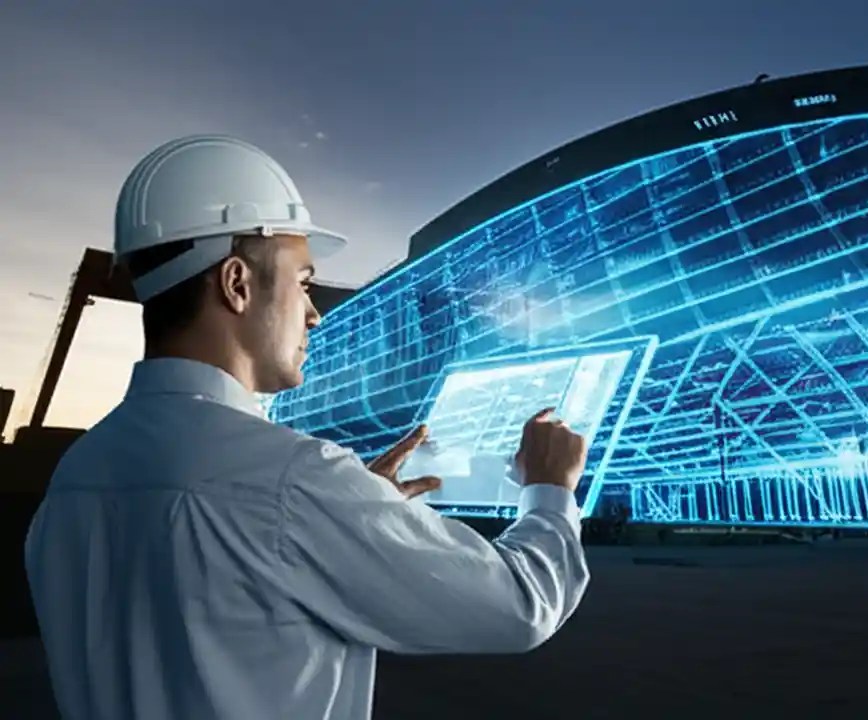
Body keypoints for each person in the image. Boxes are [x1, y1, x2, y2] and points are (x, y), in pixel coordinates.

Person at [23, 135, 591, 719]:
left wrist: (359, 509)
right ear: (237, 284)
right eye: (302, 282)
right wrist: (549, 490)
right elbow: (521, 604)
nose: (315, 313)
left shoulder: (74, 477)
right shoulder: (292, 480)